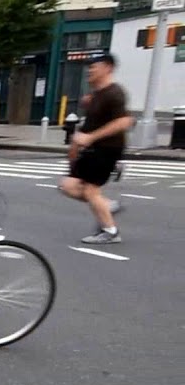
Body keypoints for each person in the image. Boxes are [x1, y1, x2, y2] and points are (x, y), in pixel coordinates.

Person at [59, 53, 132, 245]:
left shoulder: (114, 93)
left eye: (95, 66)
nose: (90, 70)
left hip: (107, 149)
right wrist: (74, 147)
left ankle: (110, 231)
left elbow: (124, 121)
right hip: (90, 150)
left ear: (108, 68)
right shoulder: (95, 95)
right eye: (89, 67)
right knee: (67, 186)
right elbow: (87, 125)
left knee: (91, 190)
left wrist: (91, 137)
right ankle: (107, 206)